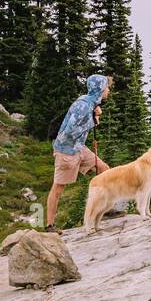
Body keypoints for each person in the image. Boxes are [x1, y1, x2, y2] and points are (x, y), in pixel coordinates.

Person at [44, 74, 111, 231]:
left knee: (104, 170)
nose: (108, 90)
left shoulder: (90, 103)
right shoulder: (83, 105)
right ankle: (50, 226)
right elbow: (69, 131)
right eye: (106, 87)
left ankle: (106, 210)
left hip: (79, 147)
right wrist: (93, 120)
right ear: (100, 88)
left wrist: (94, 116)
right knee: (58, 188)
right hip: (66, 151)